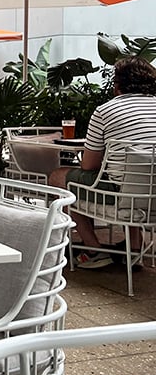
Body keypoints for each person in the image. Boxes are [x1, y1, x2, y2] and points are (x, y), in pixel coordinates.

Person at [49, 57, 156, 268]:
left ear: (117, 84)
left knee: (58, 177)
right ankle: (133, 250)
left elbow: (88, 165)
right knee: (132, 178)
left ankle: (94, 250)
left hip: (121, 195)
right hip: (152, 195)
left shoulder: (105, 111)